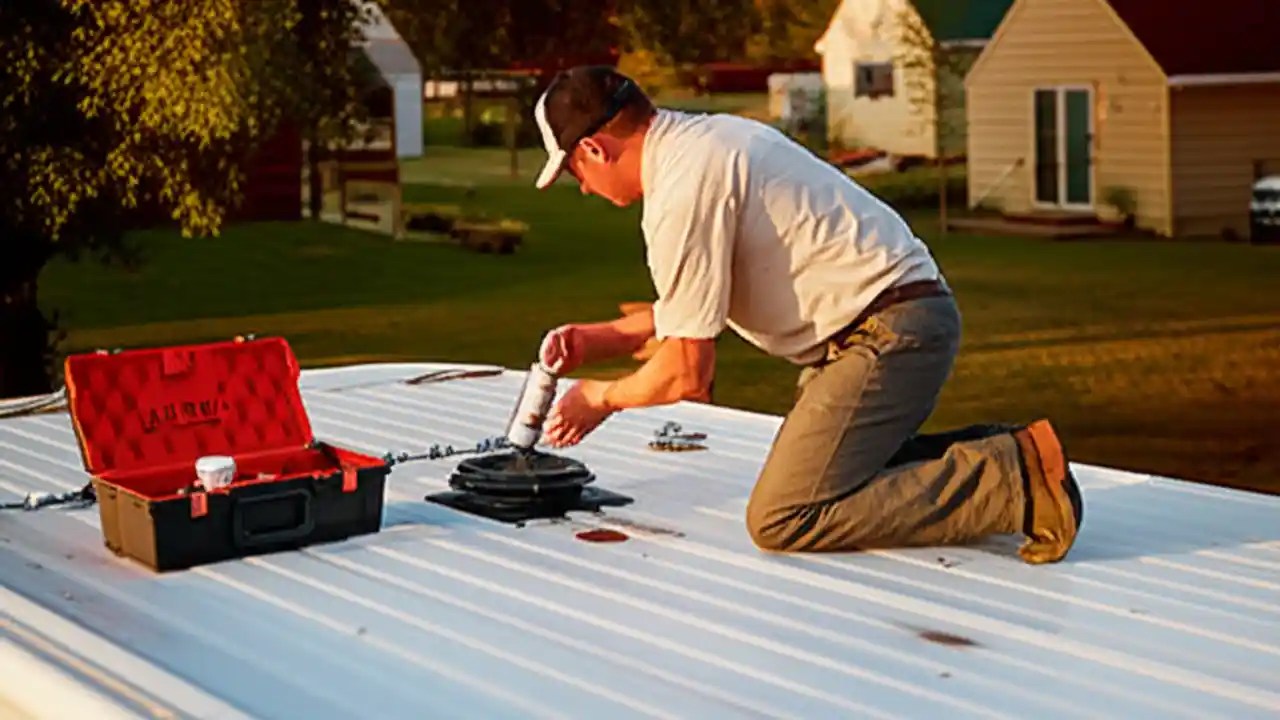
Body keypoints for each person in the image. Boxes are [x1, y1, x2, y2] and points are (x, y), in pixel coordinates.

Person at [531, 66, 1083, 564]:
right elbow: (696, 301)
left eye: (573, 171)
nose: (582, 187)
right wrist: (599, 339)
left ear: (595, 150)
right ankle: (1025, 458)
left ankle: (1017, 479)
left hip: (888, 334)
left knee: (784, 513)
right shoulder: (702, 143)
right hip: (893, 320)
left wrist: (597, 398)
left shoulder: (680, 188)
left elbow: (687, 373)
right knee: (828, 476)